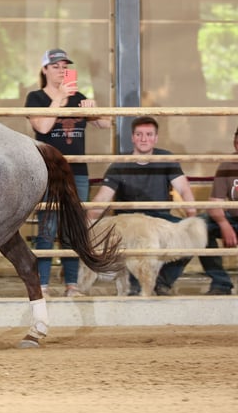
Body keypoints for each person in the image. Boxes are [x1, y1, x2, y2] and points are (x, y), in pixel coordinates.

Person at [87, 116, 230, 295]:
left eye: (148, 134)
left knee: (198, 230)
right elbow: (102, 199)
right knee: (135, 288)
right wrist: (88, 221)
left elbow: (184, 189)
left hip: (160, 218)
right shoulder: (119, 164)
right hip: (130, 224)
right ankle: (136, 286)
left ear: (155, 138)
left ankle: (168, 282)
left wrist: (192, 214)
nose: (144, 139)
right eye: (139, 134)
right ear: (132, 137)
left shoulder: (165, 158)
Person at [25, 48, 110, 297]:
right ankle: (41, 287)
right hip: (48, 171)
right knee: (47, 230)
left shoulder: (78, 96)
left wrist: (94, 109)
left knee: (74, 229)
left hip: (77, 173)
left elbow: (105, 124)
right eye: (55, 66)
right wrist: (59, 99)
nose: (61, 70)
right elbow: (42, 126)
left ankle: (72, 285)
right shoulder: (37, 97)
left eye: (64, 66)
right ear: (44, 70)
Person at [202, 127, 238, 295]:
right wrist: (224, 224)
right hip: (232, 219)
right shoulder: (227, 164)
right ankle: (221, 283)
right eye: (237, 144)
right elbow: (215, 202)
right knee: (199, 226)